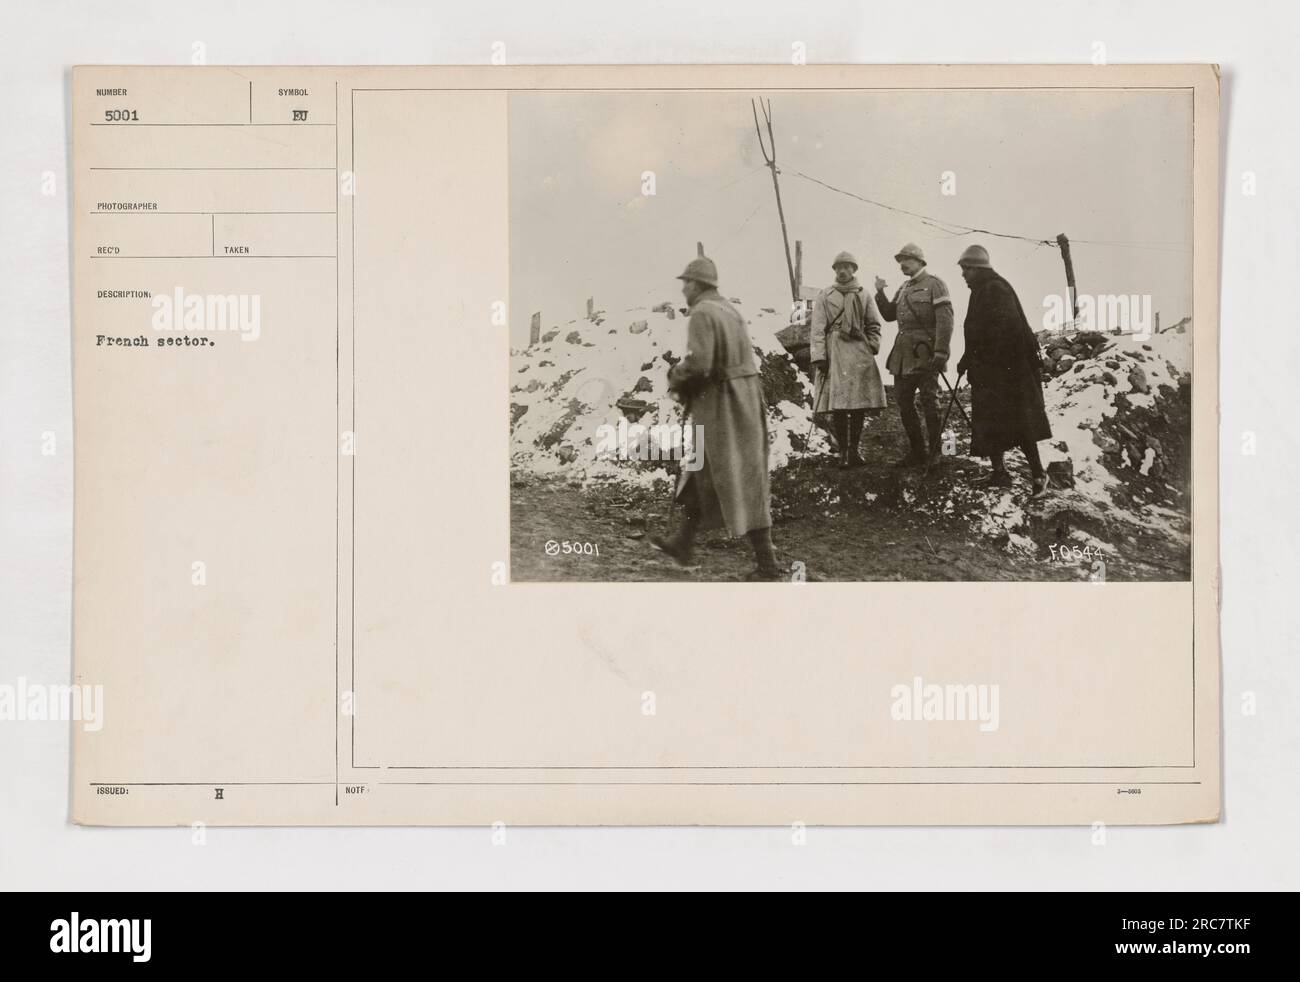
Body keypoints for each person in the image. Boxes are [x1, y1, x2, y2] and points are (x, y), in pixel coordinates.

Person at [649, 257, 782, 580]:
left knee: (735, 476)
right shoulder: (729, 310)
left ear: (697, 284)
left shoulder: (702, 313)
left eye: (686, 283)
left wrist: (676, 377)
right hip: (745, 399)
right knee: (708, 471)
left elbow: (702, 364)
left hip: (722, 405)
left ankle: (768, 565)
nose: (683, 289)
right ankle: (683, 542)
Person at [954, 244, 1052, 497]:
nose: (963, 275)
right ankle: (999, 472)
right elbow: (977, 333)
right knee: (989, 420)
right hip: (990, 371)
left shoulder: (996, 289)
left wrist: (981, 360)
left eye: (966, 270)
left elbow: (1006, 333)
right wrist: (967, 358)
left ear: (977, 269)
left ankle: (1040, 475)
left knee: (1020, 423)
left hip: (1008, 373)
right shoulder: (981, 289)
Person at [874, 243, 954, 467]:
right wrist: (880, 292)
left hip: (926, 353)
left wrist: (941, 351)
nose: (902, 263)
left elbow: (946, 321)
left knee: (930, 401)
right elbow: (890, 315)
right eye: (900, 260)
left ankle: (937, 452)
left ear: (920, 261)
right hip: (902, 355)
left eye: (907, 259)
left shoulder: (935, 284)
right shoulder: (903, 288)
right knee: (903, 402)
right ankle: (917, 451)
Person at [811, 251, 886, 468]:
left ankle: (855, 450)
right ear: (834, 271)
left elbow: (874, 324)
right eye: (838, 267)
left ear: (854, 269)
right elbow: (817, 329)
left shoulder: (864, 294)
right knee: (840, 405)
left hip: (860, 352)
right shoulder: (825, 295)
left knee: (859, 404)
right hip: (835, 352)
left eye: (847, 267)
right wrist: (820, 357)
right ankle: (843, 451)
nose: (842, 271)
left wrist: (872, 345)